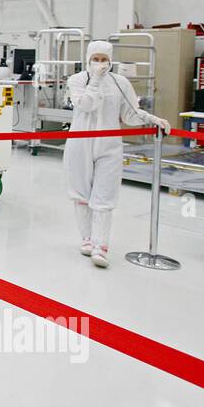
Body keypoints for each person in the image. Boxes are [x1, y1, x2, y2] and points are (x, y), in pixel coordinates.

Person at [64, 40, 169, 268]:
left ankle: (101, 246)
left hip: (109, 145)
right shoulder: (78, 80)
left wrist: (150, 119)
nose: (100, 64)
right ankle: (87, 239)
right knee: (81, 194)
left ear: (111, 61)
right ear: (88, 59)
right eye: (96, 59)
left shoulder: (120, 82)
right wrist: (97, 81)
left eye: (104, 59)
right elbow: (85, 105)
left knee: (104, 195)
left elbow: (130, 113)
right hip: (80, 144)